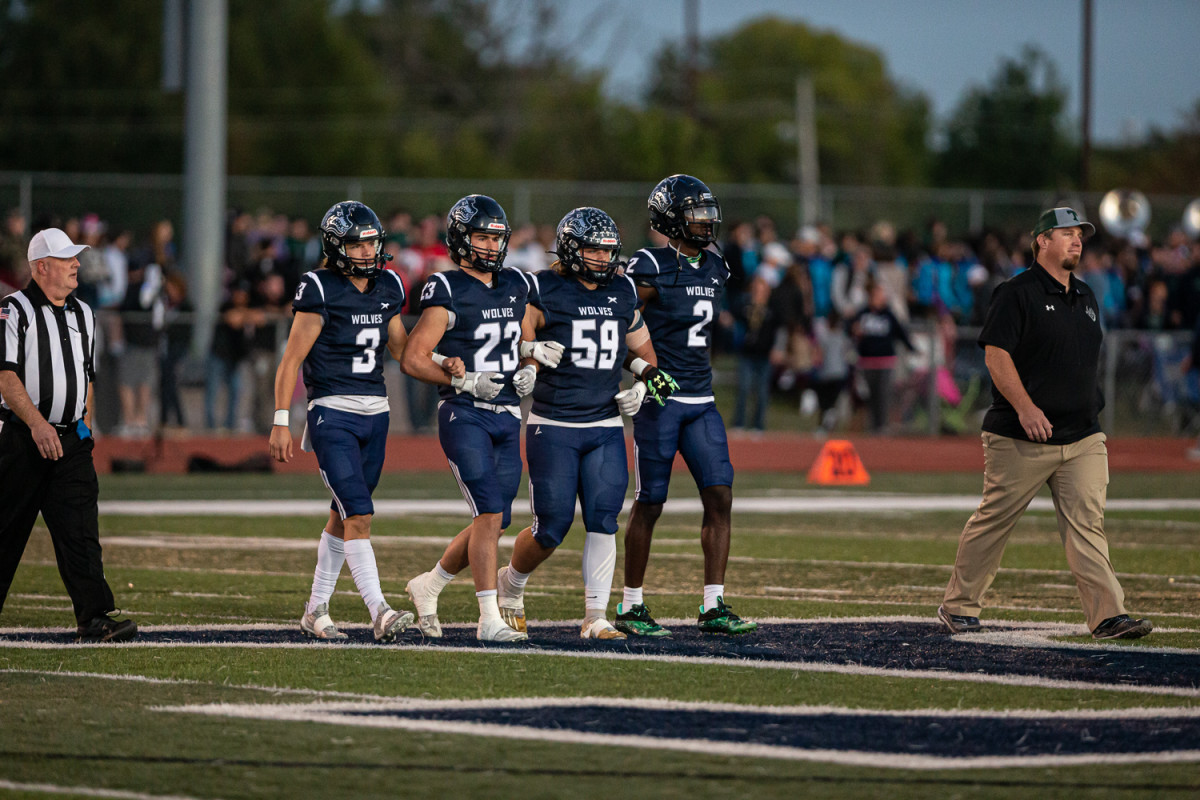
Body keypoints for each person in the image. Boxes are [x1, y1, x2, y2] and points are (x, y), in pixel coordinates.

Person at [938, 207, 1153, 641]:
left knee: (1087, 524)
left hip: (1083, 435)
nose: (1077, 241)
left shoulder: (1087, 296)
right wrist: (1025, 407)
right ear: (1042, 241)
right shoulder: (1015, 293)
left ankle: (1108, 615)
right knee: (995, 519)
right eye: (1068, 233)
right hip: (1021, 434)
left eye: (1081, 235)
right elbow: (996, 354)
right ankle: (958, 605)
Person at [492, 207, 670, 640]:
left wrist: (644, 383)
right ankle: (511, 585)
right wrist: (528, 357)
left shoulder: (624, 290)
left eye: (608, 250)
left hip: (606, 424)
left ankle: (595, 616)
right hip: (553, 423)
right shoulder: (542, 287)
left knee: (603, 518)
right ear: (571, 250)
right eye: (593, 250)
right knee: (551, 528)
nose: (602, 259)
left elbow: (645, 353)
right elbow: (513, 339)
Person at [269, 201, 426, 643]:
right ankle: (379, 611)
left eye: (372, 242)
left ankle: (315, 609)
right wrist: (282, 419)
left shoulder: (388, 286)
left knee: (343, 514)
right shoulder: (318, 287)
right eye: (357, 244)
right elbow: (291, 360)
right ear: (336, 246)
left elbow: (401, 349)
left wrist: (445, 360)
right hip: (331, 411)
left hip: (376, 414)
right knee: (358, 510)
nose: (366, 251)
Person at [401, 195, 548, 643]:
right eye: (482, 236)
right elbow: (413, 358)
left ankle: (430, 584)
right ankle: (488, 618)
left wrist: (530, 366)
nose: (490, 245)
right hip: (464, 412)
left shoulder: (517, 283)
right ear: (461, 239)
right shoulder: (446, 287)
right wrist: (464, 383)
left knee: (497, 518)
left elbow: (525, 341)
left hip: (506, 413)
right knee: (487, 510)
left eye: (496, 237)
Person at [617, 174, 758, 637]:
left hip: (702, 400)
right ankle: (631, 605)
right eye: (696, 213)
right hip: (661, 400)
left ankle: (713, 603)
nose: (706, 221)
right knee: (650, 502)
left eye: (707, 212)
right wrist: (639, 371)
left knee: (720, 494)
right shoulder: (648, 267)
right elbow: (611, 326)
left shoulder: (717, 266)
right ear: (670, 218)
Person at [0, 228, 137, 642]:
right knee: (4, 531)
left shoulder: (84, 314)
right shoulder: (14, 309)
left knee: (81, 532)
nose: (77, 264)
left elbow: (86, 377)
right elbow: (6, 376)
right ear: (42, 267)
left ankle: (94, 617)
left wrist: (85, 425)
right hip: (23, 439)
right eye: (66, 259)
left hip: (71, 442)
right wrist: (37, 424)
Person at [849, 280, 914, 434]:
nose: (881, 297)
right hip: (866, 362)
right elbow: (850, 329)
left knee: (883, 395)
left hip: (885, 361)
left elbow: (900, 333)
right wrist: (854, 331)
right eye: (878, 294)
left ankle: (882, 427)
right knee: (869, 396)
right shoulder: (862, 313)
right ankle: (871, 426)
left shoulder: (888, 314)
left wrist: (912, 348)